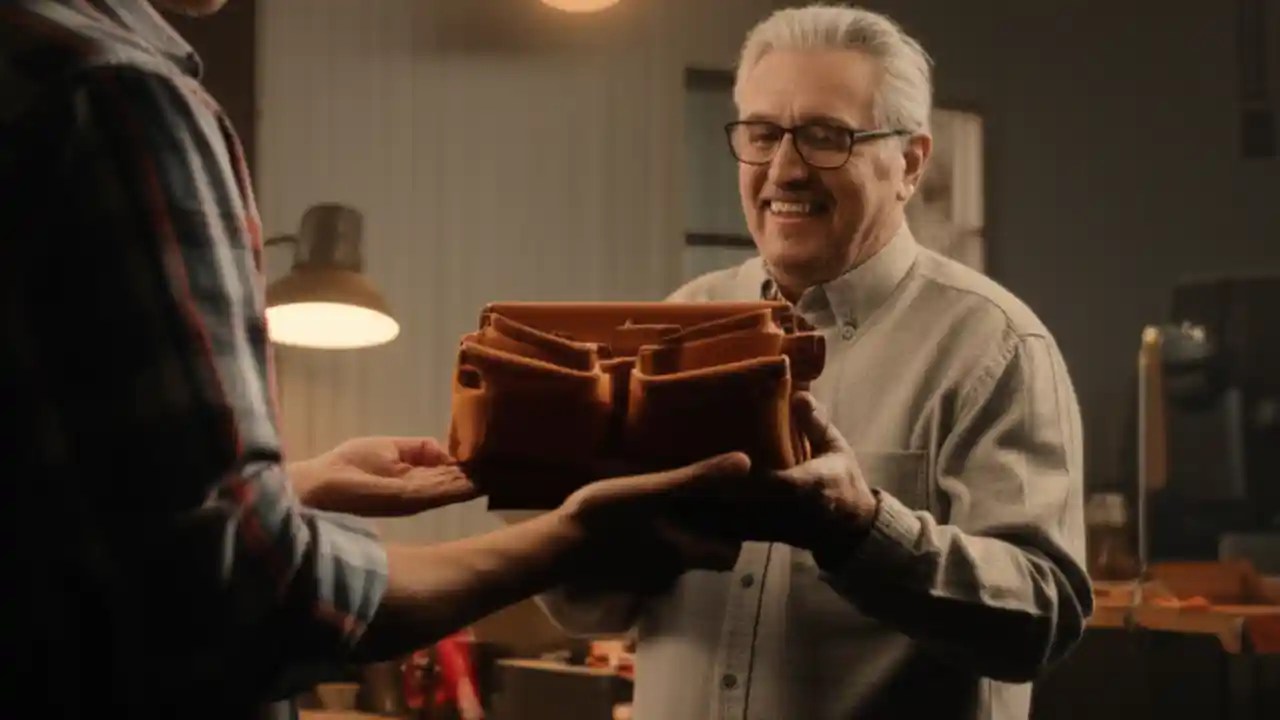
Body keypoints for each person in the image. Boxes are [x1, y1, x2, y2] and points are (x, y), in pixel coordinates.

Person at [0, 1, 749, 717]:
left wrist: (294, 489)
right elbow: (246, 594)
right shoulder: (116, 98)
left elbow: (72, 527)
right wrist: (573, 539)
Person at [538, 5, 1094, 719]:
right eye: (763, 135)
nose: (785, 170)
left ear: (911, 164)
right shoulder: (684, 322)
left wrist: (860, 528)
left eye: (826, 137)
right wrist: (559, 505)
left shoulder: (995, 347)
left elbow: (1041, 619)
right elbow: (595, 611)